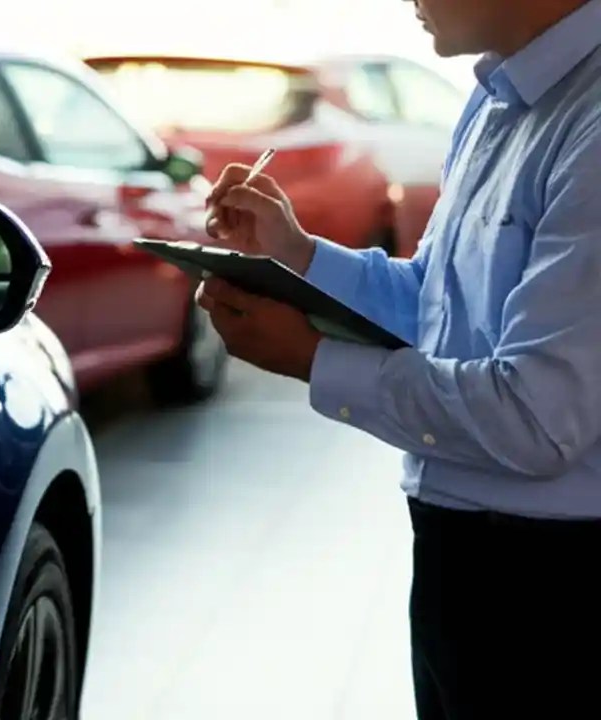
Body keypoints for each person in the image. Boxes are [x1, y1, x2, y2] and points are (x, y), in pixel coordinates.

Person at [197, 0, 601, 717]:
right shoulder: (496, 98)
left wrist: (314, 360)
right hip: (462, 557)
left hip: (556, 586)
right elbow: (439, 307)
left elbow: (539, 418)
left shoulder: (592, 124)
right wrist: (294, 252)